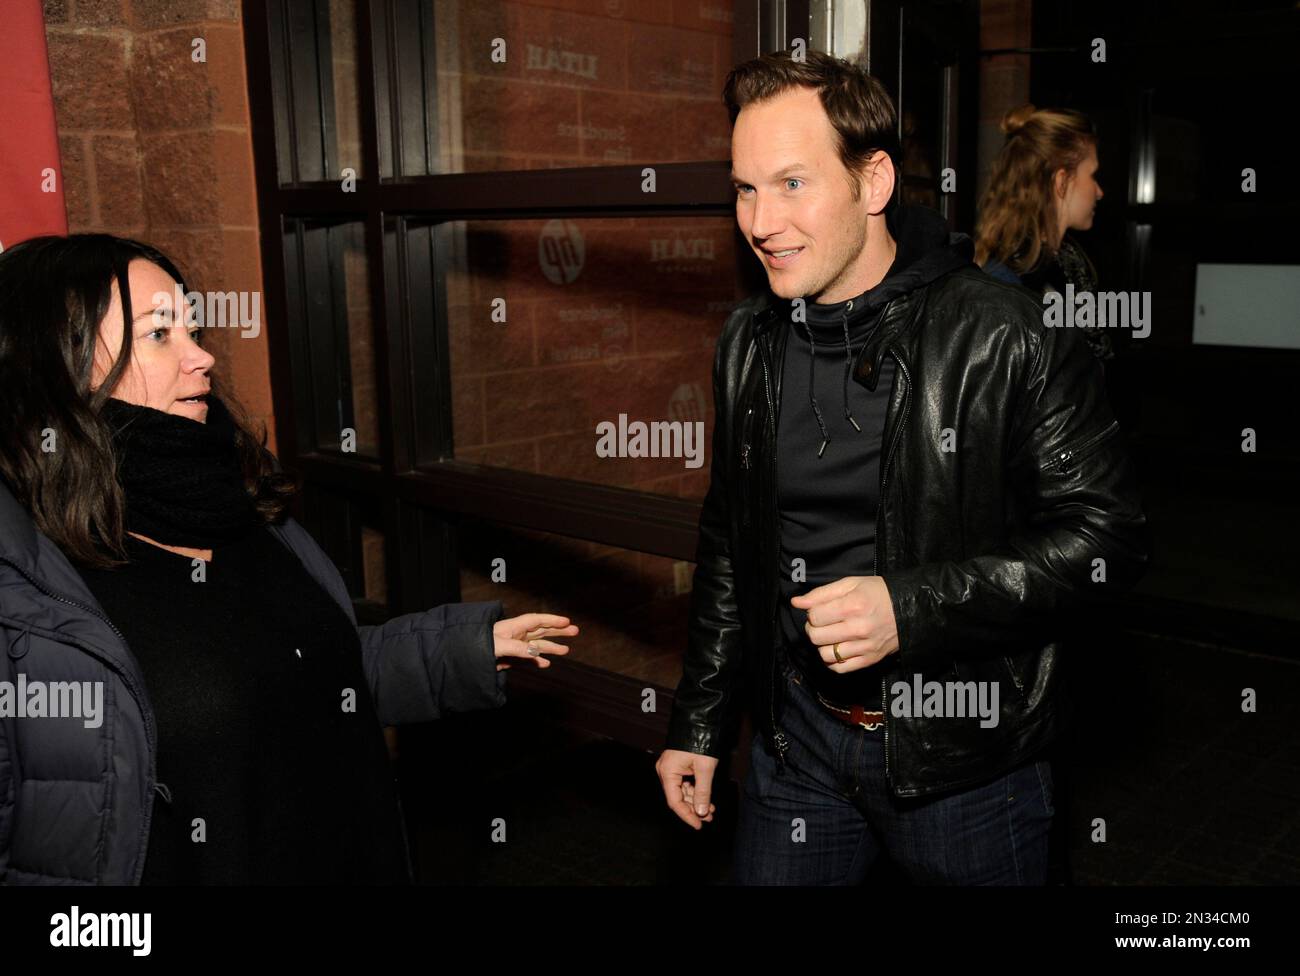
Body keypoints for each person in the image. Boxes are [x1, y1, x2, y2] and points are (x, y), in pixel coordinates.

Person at [654, 50, 1148, 884]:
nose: (760, 220)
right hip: (795, 746)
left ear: (873, 182)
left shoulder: (1002, 333)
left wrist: (909, 608)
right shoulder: (750, 343)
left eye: (792, 184)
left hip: (963, 765)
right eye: (744, 188)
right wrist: (700, 722)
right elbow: (731, 544)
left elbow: (1111, 541)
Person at [0, 234, 578, 885]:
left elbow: (312, 680)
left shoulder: (237, 501)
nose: (203, 357)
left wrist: (456, 651)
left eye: (193, 327)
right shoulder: (24, 598)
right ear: (57, 364)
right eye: (161, 335)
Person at [977, 104, 1113, 363]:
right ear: (1062, 181)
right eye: (1093, 175)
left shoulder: (1069, 264)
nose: (1099, 191)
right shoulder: (1009, 281)